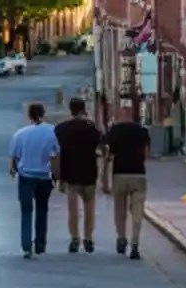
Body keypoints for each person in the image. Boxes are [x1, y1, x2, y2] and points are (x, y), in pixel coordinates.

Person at [8, 102, 59, 259]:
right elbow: (55, 155)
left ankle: (26, 245)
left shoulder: (20, 134)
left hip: (26, 176)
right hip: (44, 175)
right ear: (43, 114)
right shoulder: (52, 132)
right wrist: (56, 175)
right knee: (42, 209)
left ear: (29, 115)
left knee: (26, 210)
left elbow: (13, 156)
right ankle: (40, 243)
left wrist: (12, 169)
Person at [55, 97, 103, 254]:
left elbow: (58, 152)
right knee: (90, 207)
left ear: (70, 110)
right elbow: (101, 147)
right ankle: (88, 237)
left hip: (70, 173)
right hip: (89, 172)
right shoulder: (92, 128)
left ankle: (75, 238)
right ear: (83, 110)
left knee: (73, 210)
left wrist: (59, 177)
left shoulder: (61, 129)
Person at [101, 111, 151, 260]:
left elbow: (108, 156)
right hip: (138, 175)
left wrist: (104, 180)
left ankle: (122, 238)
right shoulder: (142, 131)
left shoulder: (115, 131)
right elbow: (146, 153)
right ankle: (135, 243)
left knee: (120, 210)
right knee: (137, 211)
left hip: (119, 174)